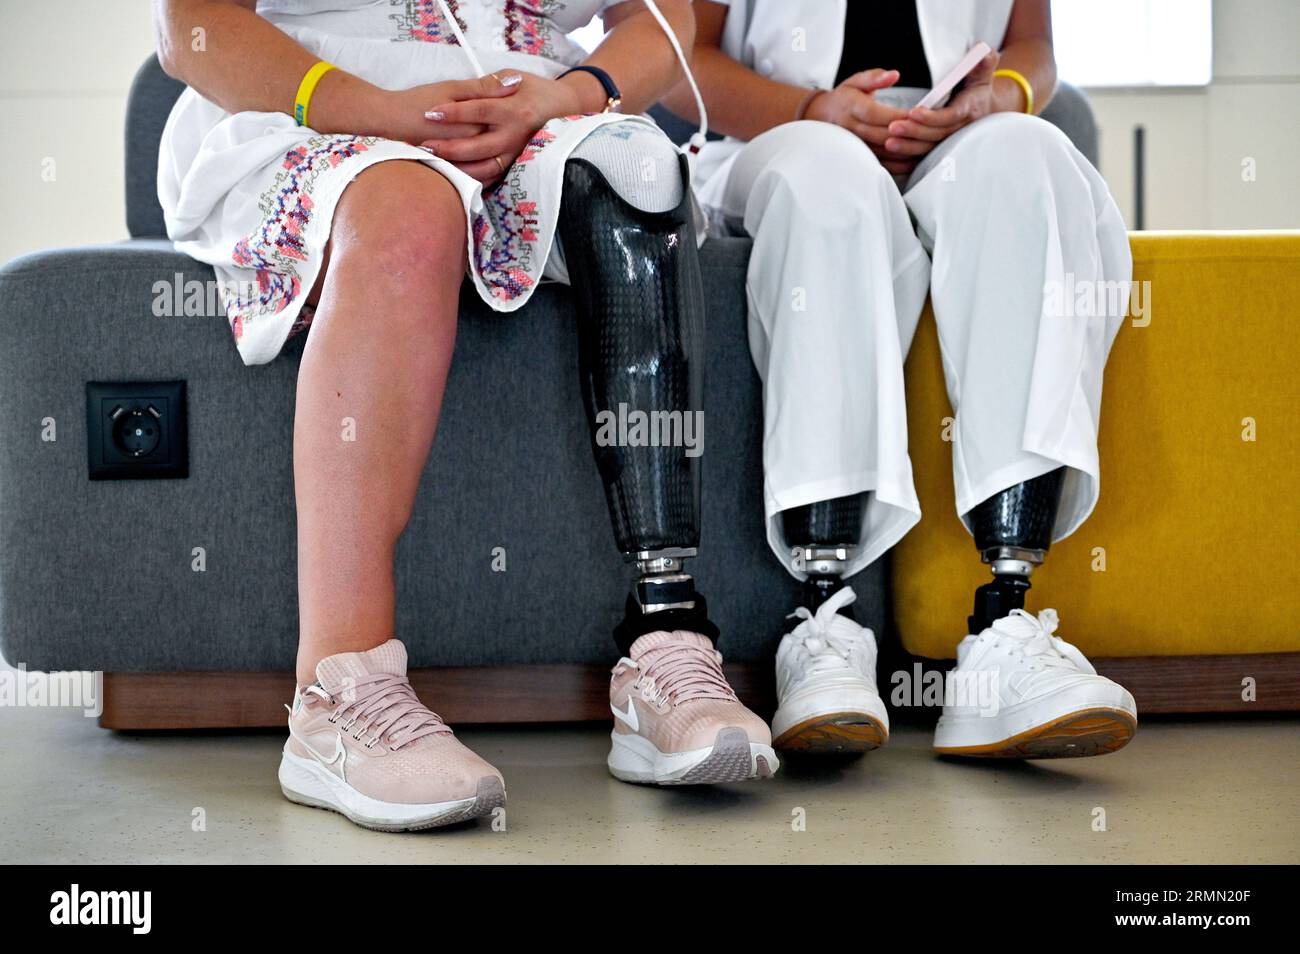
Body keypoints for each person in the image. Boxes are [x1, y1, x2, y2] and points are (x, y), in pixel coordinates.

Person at [156, 0, 775, 832]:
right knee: (411, 211)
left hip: (535, 114)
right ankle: (337, 695)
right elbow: (188, 26)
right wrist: (385, 111)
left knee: (638, 164)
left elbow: (661, 19)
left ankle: (664, 644)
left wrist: (571, 94)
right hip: (316, 111)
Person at [663, 0, 1139, 759]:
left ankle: (1002, 630)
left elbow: (1031, 45)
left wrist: (1000, 95)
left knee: (1029, 154)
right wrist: (813, 109)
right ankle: (822, 627)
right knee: (829, 181)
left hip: (959, 140)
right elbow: (682, 58)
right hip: (785, 136)